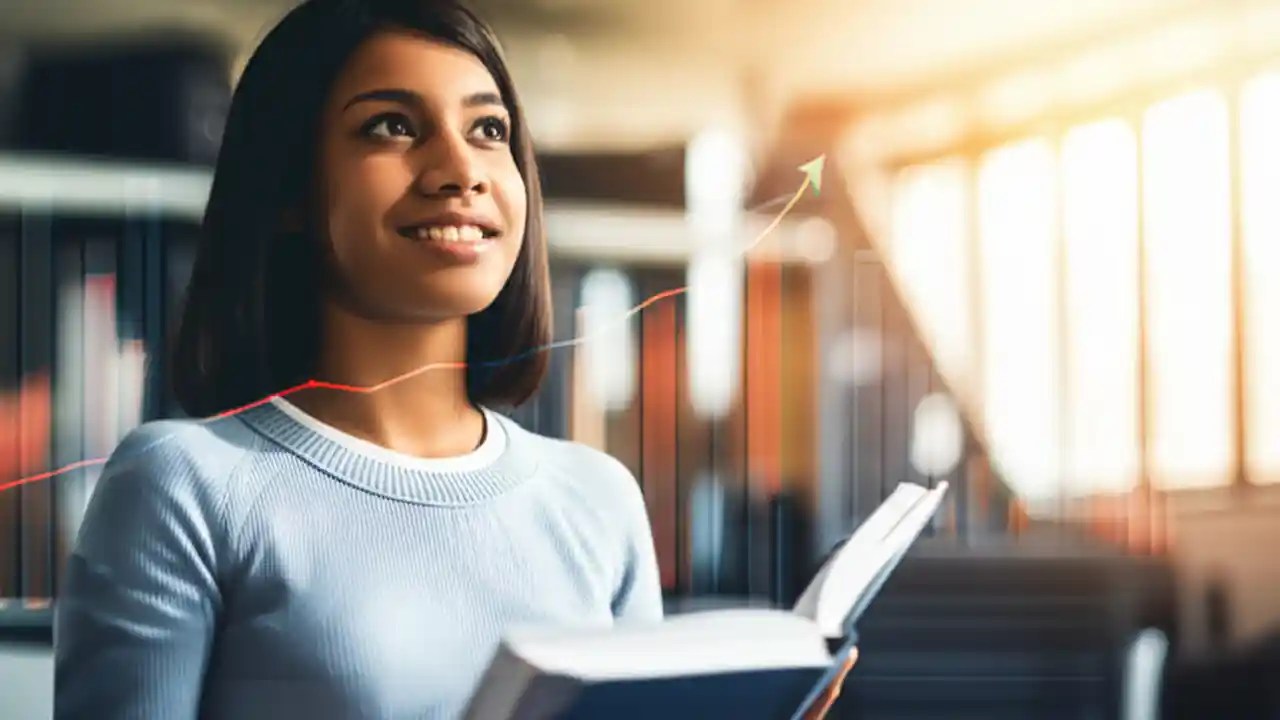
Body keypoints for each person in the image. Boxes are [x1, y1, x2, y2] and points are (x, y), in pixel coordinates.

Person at [52, 0, 853, 717]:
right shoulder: (183, 487)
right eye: (392, 126)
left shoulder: (598, 501)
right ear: (289, 187)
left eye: (489, 130)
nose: (461, 170)